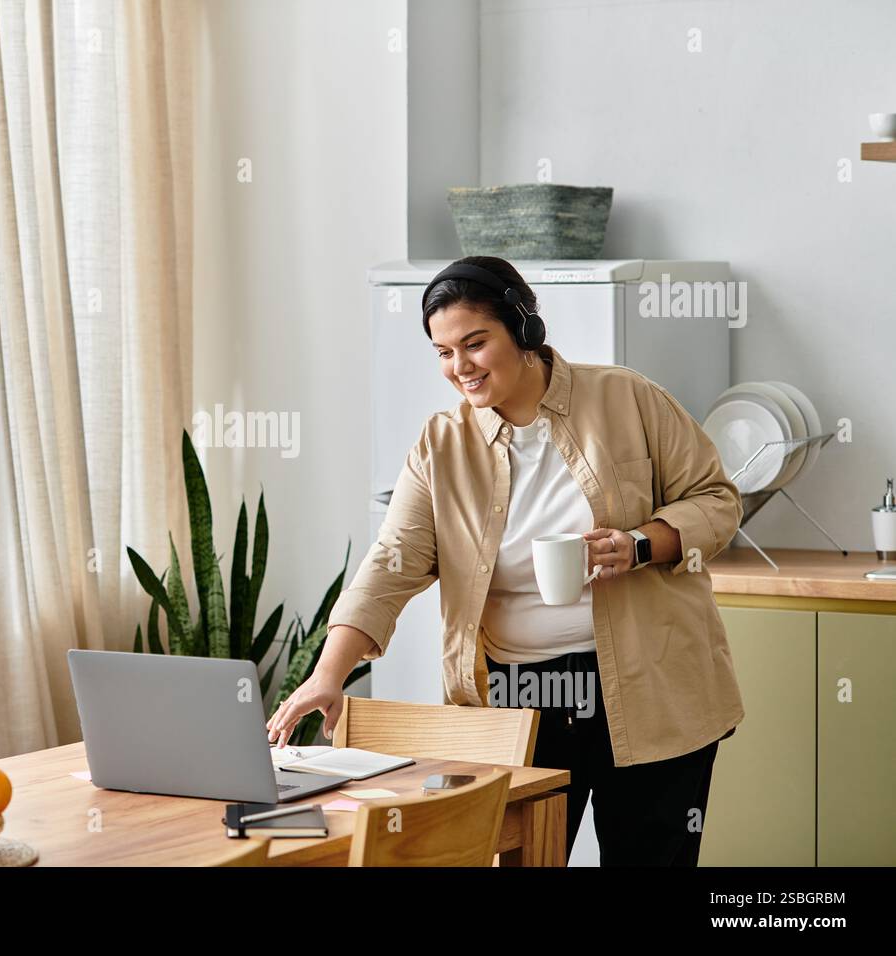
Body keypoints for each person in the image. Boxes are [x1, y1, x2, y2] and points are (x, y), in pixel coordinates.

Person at [266, 255, 744, 866]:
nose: (459, 367)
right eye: (443, 352)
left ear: (522, 329)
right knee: (518, 859)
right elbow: (391, 563)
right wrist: (327, 676)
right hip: (516, 700)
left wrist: (641, 543)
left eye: (474, 343)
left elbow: (716, 500)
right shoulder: (442, 444)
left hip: (648, 685)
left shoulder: (627, 397)